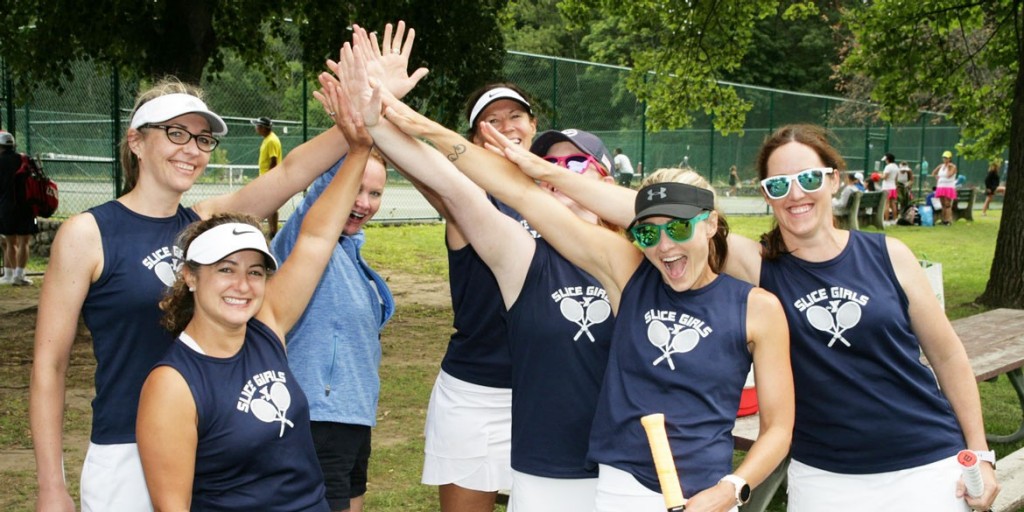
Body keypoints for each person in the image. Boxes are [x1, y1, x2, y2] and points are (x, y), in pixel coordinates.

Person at [29, 24, 426, 511]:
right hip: (126, 443)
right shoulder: (88, 233)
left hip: (220, 440)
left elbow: (292, 173)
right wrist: (51, 484)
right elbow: (50, 364)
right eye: (176, 133)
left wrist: (371, 105)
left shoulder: (204, 227)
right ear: (136, 142)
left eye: (202, 139)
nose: (191, 149)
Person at [378, 86, 794, 511]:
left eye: (679, 228)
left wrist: (731, 488)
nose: (665, 245)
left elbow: (779, 427)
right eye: (648, 232)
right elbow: (513, 194)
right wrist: (412, 124)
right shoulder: (628, 275)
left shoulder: (756, 307)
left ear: (710, 224)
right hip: (618, 487)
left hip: (707, 494)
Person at [722, 124, 999, 511]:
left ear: (834, 180)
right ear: (766, 194)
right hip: (825, 476)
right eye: (779, 184)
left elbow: (948, 356)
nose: (795, 194)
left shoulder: (889, 254)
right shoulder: (756, 265)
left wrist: (980, 454)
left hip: (926, 462)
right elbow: (661, 219)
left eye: (808, 178)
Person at [137, 78, 371, 510]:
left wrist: (358, 149)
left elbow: (316, 239)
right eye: (225, 269)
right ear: (190, 276)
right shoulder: (173, 384)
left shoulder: (266, 327)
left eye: (255, 271)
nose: (242, 285)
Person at [270, 147, 395, 512]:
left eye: (375, 193)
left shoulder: (352, 256)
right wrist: (356, 138)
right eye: (355, 188)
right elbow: (319, 198)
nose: (364, 203)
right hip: (317, 418)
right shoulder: (303, 244)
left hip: (353, 417)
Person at [0, 131, 37, 286]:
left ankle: (10, 274)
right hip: (26, 206)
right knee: (24, 242)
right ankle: (19, 275)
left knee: (10, 242)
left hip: (5, 206)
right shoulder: (24, 159)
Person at [251, 116, 283, 237]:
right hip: (266, 177)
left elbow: (273, 160)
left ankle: (273, 231)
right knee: (269, 205)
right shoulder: (268, 139)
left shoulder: (271, 141)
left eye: (258, 126)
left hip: (269, 178)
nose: (256, 128)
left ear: (264, 128)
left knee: (270, 205)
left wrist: (268, 178)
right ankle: (272, 231)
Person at [931, 150, 958, 225]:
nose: (945, 159)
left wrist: (948, 167)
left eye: (946, 158)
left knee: (947, 204)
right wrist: (937, 176)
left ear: (950, 158)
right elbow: (933, 173)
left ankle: (948, 220)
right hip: (941, 187)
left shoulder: (953, 166)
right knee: (942, 204)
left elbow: (949, 175)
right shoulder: (941, 166)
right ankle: (943, 220)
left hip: (948, 187)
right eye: (944, 158)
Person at [880, 153, 899, 224]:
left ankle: (886, 220)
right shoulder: (896, 166)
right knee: (893, 204)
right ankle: (895, 219)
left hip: (886, 187)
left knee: (886, 204)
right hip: (893, 187)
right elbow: (896, 178)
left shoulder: (888, 167)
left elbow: (885, 177)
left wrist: (879, 175)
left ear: (888, 160)